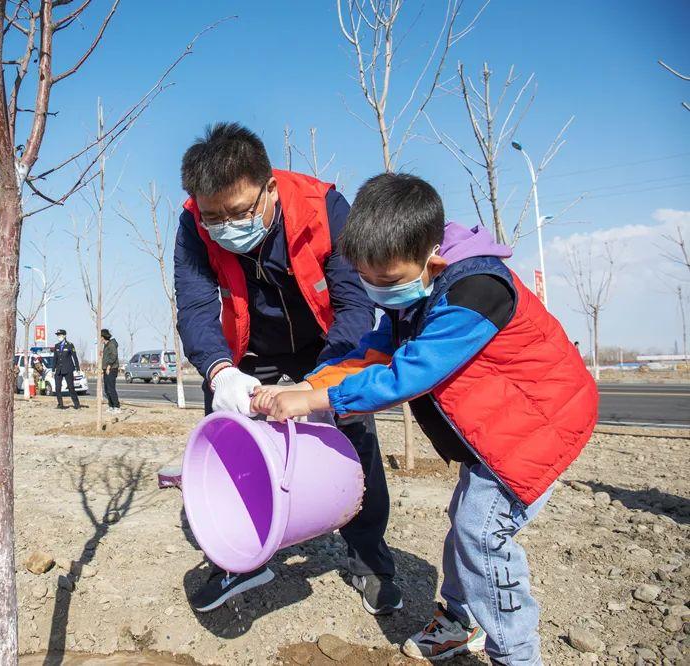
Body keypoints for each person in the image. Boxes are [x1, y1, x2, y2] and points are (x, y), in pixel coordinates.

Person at [253, 173, 597, 664]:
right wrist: (311, 384)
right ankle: (459, 620)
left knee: (481, 533)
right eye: (366, 281)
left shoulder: (476, 291)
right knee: (467, 521)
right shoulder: (413, 291)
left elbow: (407, 375)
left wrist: (313, 403)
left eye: (386, 282)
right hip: (497, 429)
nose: (376, 294)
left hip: (538, 426)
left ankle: (516, 655)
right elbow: (372, 353)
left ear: (431, 260)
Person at [174, 123, 396, 613]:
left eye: (239, 213)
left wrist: (319, 385)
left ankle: (369, 559)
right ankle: (241, 557)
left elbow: (355, 303)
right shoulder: (193, 223)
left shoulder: (325, 208)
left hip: (327, 343)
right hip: (250, 353)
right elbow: (193, 308)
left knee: (354, 435)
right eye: (215, 217)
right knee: (230, 438)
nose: (225, 227)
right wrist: (219, 373)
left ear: (269, 188)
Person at [52, 329, 80, 409]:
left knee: (71, 387)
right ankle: (60, 404)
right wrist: (53, 369)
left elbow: (75, 357)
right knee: (57, 388)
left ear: (64, 336)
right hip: (59, 370)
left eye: (60, 335)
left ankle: (77, 404)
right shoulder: (56, 346)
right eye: (58, 335)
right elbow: (55, 358)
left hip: (68, 369)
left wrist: (77, 368)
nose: (59, 337)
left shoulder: (70, 345)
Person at [100, 328, 121, 413]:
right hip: (106, 369)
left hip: (111, 369)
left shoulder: (111, 344)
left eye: (100, 337)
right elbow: (107, 356)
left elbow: (114, 356)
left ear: (103, 337)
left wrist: (108, 366)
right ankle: (111, 405)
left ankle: (117, 406)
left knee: (111, 388)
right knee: (106, 389)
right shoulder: (106, 345)